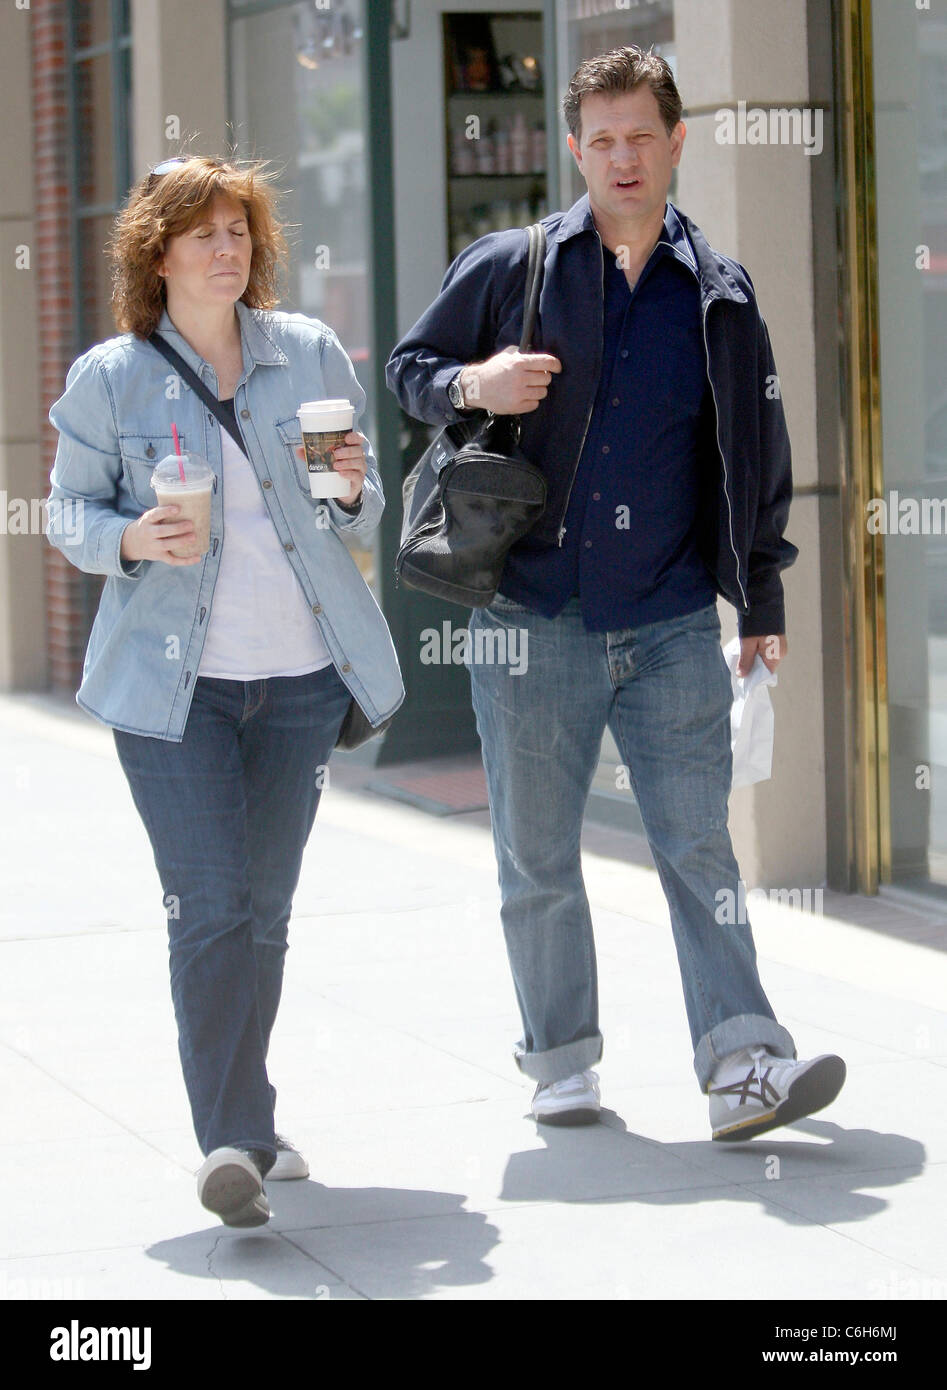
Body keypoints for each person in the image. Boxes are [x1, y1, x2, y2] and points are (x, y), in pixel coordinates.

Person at [387, 47, 845, 1140]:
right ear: (574, 148)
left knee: (698, 847)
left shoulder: (718, 296)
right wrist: (473, 383)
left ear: (676, 141)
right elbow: (410, 366)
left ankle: (742, 1057)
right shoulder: (517, 265)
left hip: (672, 615)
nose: (622, 158)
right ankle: (559, 1059)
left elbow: (757, 455)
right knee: (536, 852)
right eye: (600, 140)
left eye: (641, 136)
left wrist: (762, 603)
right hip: (530, 617)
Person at [46, 155, 403, 1226]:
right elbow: (66, 515)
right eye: (203, 233)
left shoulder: (300, 354)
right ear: (159, 255)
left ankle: (247, 1114)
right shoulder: (112, 377)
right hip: (175, 692)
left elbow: (360, 499)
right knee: (208, 906)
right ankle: (232, 1140)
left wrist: (344, 484)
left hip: (296, 679)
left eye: (239, 231)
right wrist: (128, 535)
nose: (227, 248)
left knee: (264, 911)